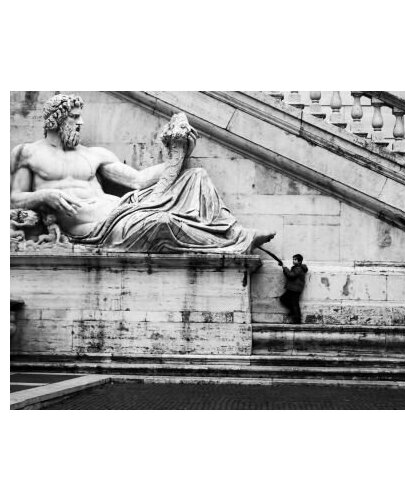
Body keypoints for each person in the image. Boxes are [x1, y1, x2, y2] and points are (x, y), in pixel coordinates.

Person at [10, 94, 275, 253]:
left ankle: (234, 234)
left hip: (123, 209)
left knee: (196, 177)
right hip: (95, 228)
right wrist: (45, 195)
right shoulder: (29, 153)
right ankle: (238, 241)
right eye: (75, 117)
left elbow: (137, 180)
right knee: (161, 223)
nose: (80, 123)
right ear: (57, 119)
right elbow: (13, 198)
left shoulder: (94, 154)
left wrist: (177, 155)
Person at [278, 254, 308, 324]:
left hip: (295, 289)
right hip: (293, 288)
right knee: (288, 301)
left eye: (295, 259)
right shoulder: (296, 268)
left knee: (292, 303)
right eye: (293, 259)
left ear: (299, 261)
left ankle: (297, 319)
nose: (293, 261)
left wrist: (284, 267)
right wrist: (283, 267)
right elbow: (290, 275)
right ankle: (294, 313)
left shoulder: (298, 268)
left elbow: (291, 275)